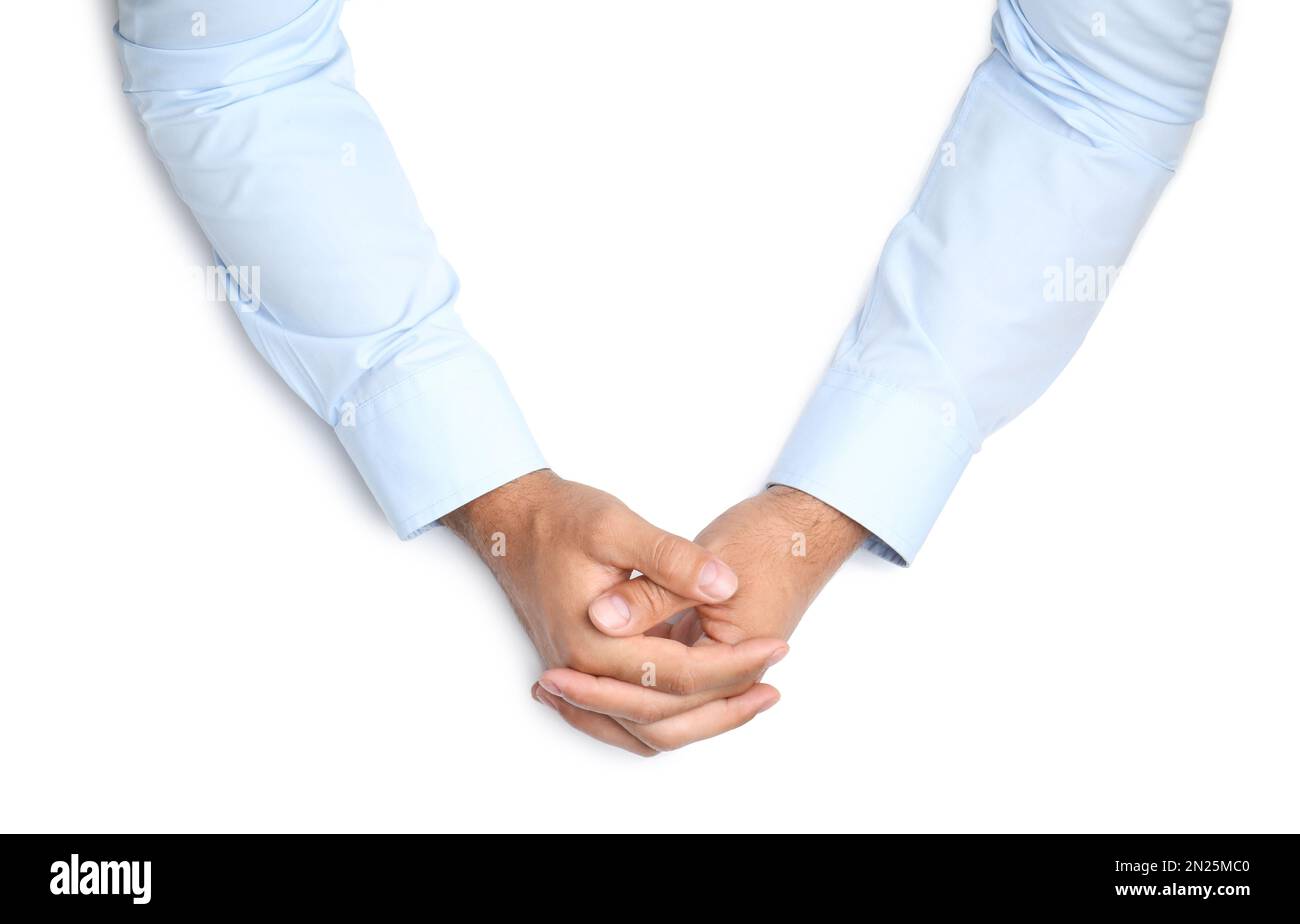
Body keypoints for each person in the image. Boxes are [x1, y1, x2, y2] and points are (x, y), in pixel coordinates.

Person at [115, 0, 1231, 755]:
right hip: (261, 558)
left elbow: (1109, 72)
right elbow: (221, 56)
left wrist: (824, 510)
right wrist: (503, 504)